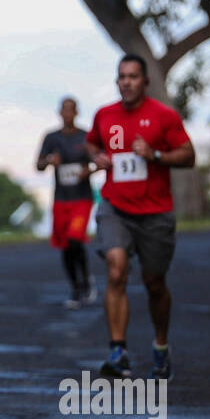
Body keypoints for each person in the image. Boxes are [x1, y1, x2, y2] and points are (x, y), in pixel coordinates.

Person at [84, 55, 195, 380]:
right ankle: (118, 353)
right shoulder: (104, 115)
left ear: (145, 81)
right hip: (115, 206)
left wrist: (156, 155)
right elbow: (91, 144)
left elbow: (188, 156)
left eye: (133, 76)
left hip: (155, 212)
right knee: (116, 269)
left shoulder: (164, 116)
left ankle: (161, 346)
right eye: (121, 76)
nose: (126, 82)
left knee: (154, 282)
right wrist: (99, 157)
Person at [36, 97, 98, 307]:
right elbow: (38, 165)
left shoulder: (86, 136)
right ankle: (75, 287)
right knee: (65, 246)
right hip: (61, 198)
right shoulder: (51, 138)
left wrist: (89, 169)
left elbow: (99, 159)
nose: (67, 114)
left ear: (77, 113)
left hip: (81, 197)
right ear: (59, 113)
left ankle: (87, 281)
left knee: (75, 239)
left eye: (71, 110)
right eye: (64, 110)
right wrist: (48, 161)